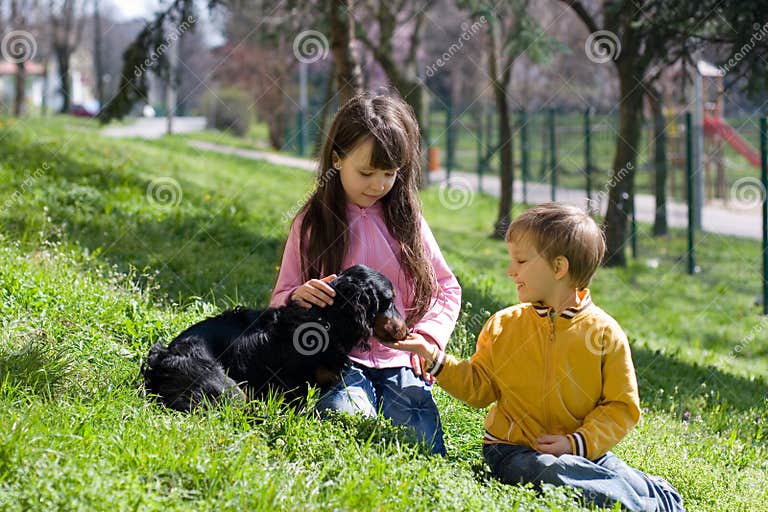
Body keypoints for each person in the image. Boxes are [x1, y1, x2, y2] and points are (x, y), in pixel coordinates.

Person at [384, 203, 685, 510]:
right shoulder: (504, 325)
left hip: (583, 451)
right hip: (513, 451)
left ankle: (657, 496)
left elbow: (620, 406)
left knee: (608, 474)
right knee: (556, 471)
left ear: (558, 268)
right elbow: (478, 387)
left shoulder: (606, 334)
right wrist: (433, 357)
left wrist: (575, 443)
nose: (510, 270)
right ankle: (646, 505)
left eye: (521, 260)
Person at [270, 92, 461, 455]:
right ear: (337, 159)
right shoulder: (312, 223)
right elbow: (282, 296)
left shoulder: (407, 222)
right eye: (366, 172)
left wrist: (428, 339)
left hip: (400, 359)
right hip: (337, 358)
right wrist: (297, 298)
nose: (377, 185)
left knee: (422, 444)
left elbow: (447, 288)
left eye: (389, 174)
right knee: (347, 424)